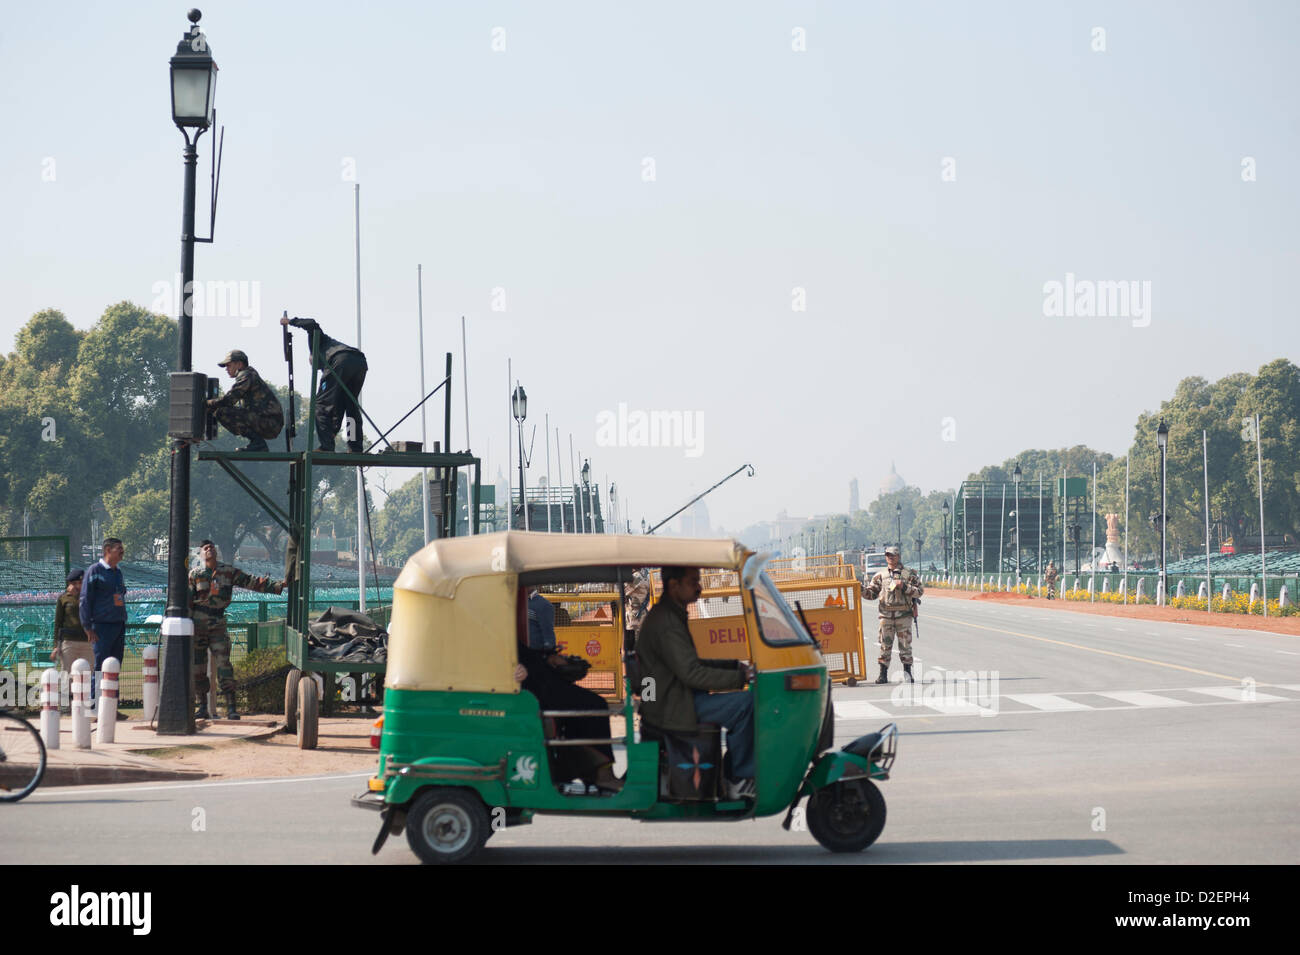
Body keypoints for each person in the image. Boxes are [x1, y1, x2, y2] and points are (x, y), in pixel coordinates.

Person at [636, 566, 756, 799]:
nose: (699, 587)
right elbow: (692, 673)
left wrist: (733, 666)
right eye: (693, 582)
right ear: (673, 586)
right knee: (746, 704)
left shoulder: (669, 615)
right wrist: (742, 677)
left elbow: (689, 663)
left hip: (671, 697)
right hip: (673, 706)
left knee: (743, 702)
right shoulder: (667, 622)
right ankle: (738, 779)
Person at [513, 589, 620, 792]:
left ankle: (582, 769)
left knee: (585, 703)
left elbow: (537, 646)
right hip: (534, 688)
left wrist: (548, 658)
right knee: (595, 705)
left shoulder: (536, 607)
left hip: (542, 677)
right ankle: (600, 773)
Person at [189, 540, 285, 720]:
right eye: (205, 548)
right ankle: (202, 706)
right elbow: (187, 601)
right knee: (198, 669)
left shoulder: (228, 571)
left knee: (224, 666)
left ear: (216, 551)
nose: (209, 549)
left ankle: (231, 708)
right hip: (198, 625)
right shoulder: (195, 575)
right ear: (200, 554)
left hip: (217, 623)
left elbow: (252, 582)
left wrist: (279, 585)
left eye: (211, 547)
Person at [280, 315, 368, 452]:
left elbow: (312, 324)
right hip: (359, 361)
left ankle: (327, 446)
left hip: (340, 360)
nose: (320, 370)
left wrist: (290, 321)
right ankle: (355, 447)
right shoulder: (330, 347)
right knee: (350, 404)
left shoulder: (318, 341)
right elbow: (336, 409)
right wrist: (332, 431)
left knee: (320, 404)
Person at [861, 544, 923, 684]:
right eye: (888, 555)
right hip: (886, 615)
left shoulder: (909, 574)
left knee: (905, 646)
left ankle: (907, 673)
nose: (890, 558)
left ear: (898, 557)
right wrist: (861, 590)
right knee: (885, 645)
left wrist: (904, 586)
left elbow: (920, 591)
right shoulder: (880, 576)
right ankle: (883, 674)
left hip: (904, 615)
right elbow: (872, 594)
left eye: (893, 555)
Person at [79, 537, 127, 711]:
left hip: (118, 624)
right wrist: (87, 626)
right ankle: (94, 706)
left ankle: (111, 707)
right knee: (100, 666)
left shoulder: (117, 572)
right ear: (107, 550)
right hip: (101, 626)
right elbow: (85, 599)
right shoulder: (95, 571)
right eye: (118, 549)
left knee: (114, 666)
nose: (122, 552)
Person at [207, 350, 284, 452]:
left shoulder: (246, 375)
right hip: (269, 421)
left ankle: (258, 443)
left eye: (229, 365)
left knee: (221, 412)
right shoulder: (249, 374)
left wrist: (208, 403)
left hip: (269, 421)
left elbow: (230, 399)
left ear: (239, 364)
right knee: (227, 410)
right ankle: (257, 443)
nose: (226, 369)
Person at [51, 569, 93, 712]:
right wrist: (56, 646)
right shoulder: (64, 599)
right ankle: (65, 706)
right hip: (68, 641)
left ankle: (87, 704)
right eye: (74, 583)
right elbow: (58, 623)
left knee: (88, 674)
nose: (78, 586)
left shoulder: (89, 597)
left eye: (80, 583)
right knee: (66, 675)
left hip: (88, 642)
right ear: (69, 583)